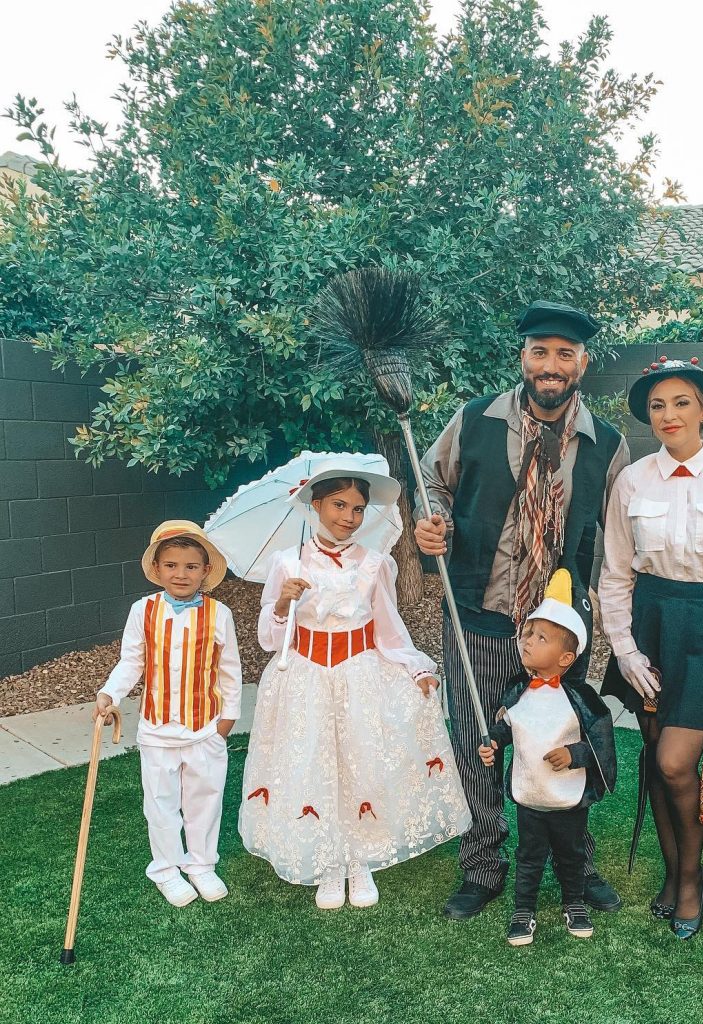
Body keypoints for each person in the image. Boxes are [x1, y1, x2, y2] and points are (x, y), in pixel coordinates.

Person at [414, 300, 630, 920]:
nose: (551, 365)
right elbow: (433, 480)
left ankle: (574, 862)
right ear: (523, 358)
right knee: (479, 738)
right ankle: (482, 866)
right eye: (541, 352)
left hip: (559, 623)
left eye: (565, 354)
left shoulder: (606, 444)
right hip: (479, 609)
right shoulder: (475, 419)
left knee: (565, 737)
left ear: (582, 363)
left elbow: (616, 534)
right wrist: (430, 526)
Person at [239, 455, 471, 910]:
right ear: (315, 504)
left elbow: (387, 629)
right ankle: (328, 860)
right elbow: (269, 639)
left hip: (359, 675)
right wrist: (284, 603)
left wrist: (417, 667)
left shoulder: (375, 563)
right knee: (313, 762)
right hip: (304, 676)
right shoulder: (286, 564)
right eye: (339, 505)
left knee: (360, 760)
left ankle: (360, 856)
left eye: (358, 509)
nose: (348, 517)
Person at [598, 355, 703, 939]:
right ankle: (673, 875)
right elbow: (616, 571)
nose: (667, 415)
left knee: (676, 762)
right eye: (656, 405)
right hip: (649, 624)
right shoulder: (633, 479)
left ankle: (692, 880)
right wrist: (623, 648)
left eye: (680, 403)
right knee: (654, 758)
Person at [95, 520, 242, 908]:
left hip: (205, 728)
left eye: (191, 566)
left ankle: (201, 864)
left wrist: (226, 722)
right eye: (172, 565)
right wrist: (109, 694)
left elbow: (230, 670)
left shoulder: (219, 613)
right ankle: (165, 868)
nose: (181, 574)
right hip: (157, 730)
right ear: (157, 568)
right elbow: (131, 661)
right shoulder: (142, 611)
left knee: (205, 800)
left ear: (205, 570)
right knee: (159, 804)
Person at [478, 569, 616, 946]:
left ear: (566, 657)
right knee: (529, 856)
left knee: (571, 856)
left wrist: (574, 753)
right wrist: (492, 742)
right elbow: (507, 730)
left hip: (568, 800)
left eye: (541, 638)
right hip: (531, 796)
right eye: (528, 634)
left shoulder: (582, 700)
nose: (528, 642)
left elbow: (601, 746)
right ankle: (524, 909)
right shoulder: (517, 693)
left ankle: (574, 902)